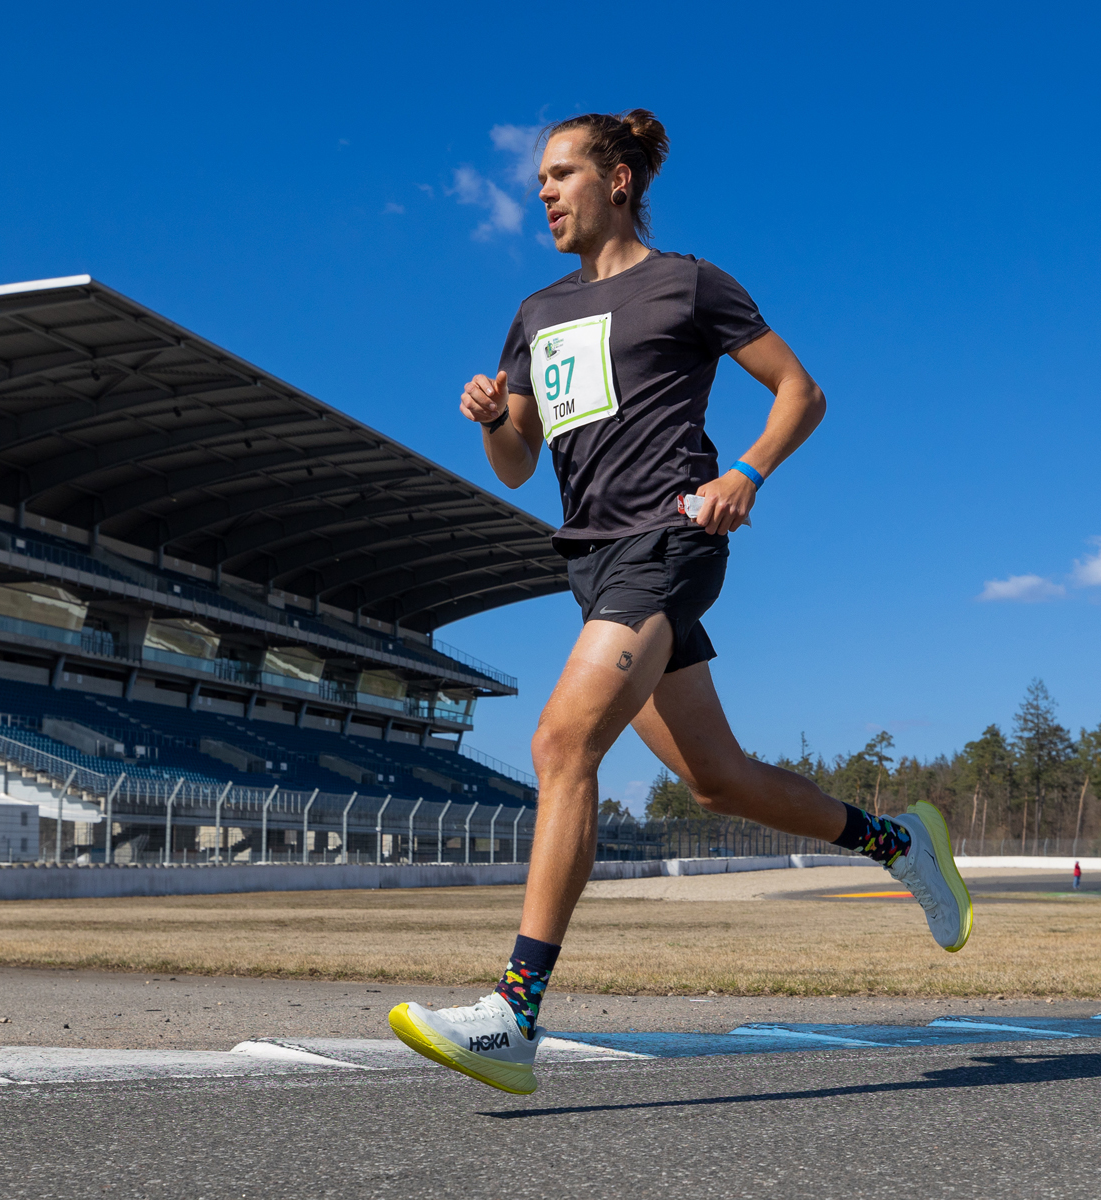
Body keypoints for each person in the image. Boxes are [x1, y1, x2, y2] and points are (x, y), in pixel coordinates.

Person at [387, 109, 973, 1096]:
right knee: (717, 779)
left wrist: (745, 471)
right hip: (593, 563)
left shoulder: (689, 282)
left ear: (616, 181)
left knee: (561, 744)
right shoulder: (533, 314)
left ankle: (513, 1014)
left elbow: (799, 391)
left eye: (561, 173)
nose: (542, 190)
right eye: (537, 178)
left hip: (669, 542)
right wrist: (492, 418)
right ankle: (900, 843)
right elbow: (521, 463)